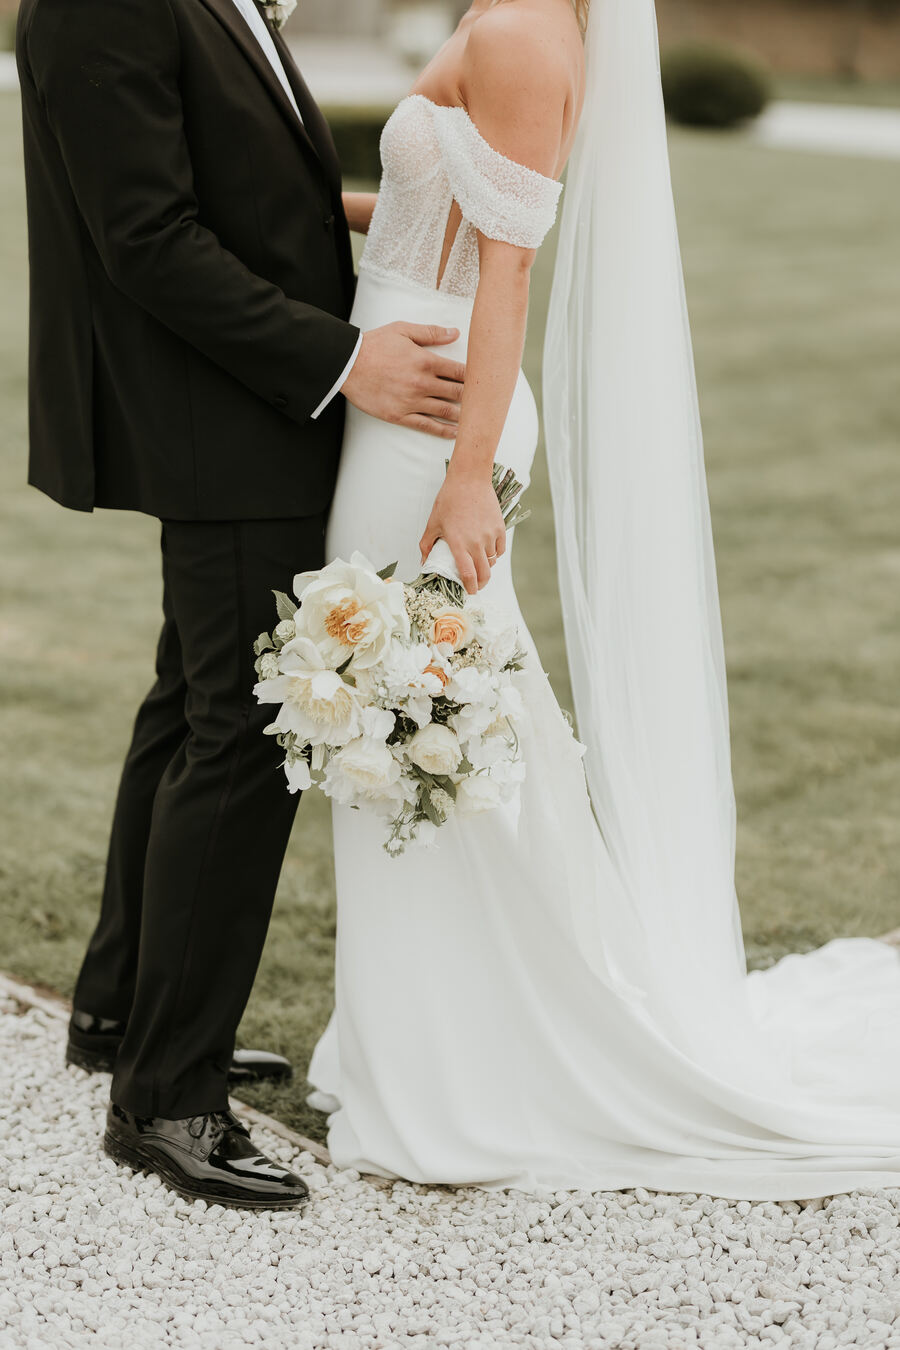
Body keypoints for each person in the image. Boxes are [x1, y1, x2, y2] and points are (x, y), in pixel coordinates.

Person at [307, 0, 900, 1197]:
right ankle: (420, 1035)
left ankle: (481, 1057)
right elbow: (444, 223)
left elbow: (510, 275)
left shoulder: (526, 36)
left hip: (439, 423)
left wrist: (471, 480)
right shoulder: (504, 15)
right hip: (407, 382)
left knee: (414, 716)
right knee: (411, 719)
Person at [16, 0, 468, 1210]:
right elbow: (147, 236)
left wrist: (376, 224)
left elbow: (226, 186)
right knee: (248, 736)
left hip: (243, 410)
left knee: (190, 706)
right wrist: (342, 359)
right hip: (221, 418)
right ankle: (168, 1096)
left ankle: (121, 1014)